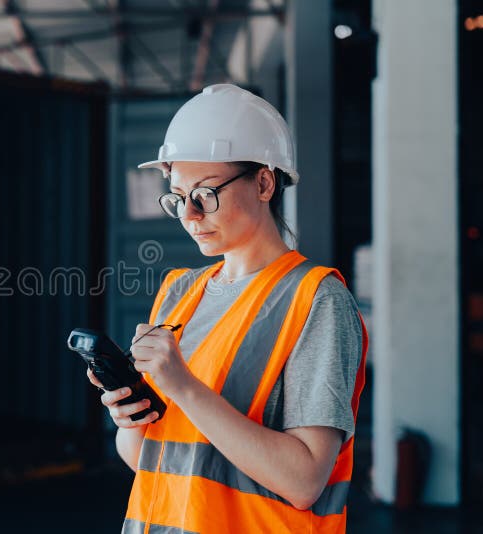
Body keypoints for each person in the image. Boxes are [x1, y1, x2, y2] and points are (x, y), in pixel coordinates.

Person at [87, 84, 368, 533]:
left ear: (263, 182)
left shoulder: (315, 300)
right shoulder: (179, 292)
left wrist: (183, 386)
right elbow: (148, 460)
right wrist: (130, 419)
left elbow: (304, 481)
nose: (190, 214)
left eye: (205, 193)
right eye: (178, 197)